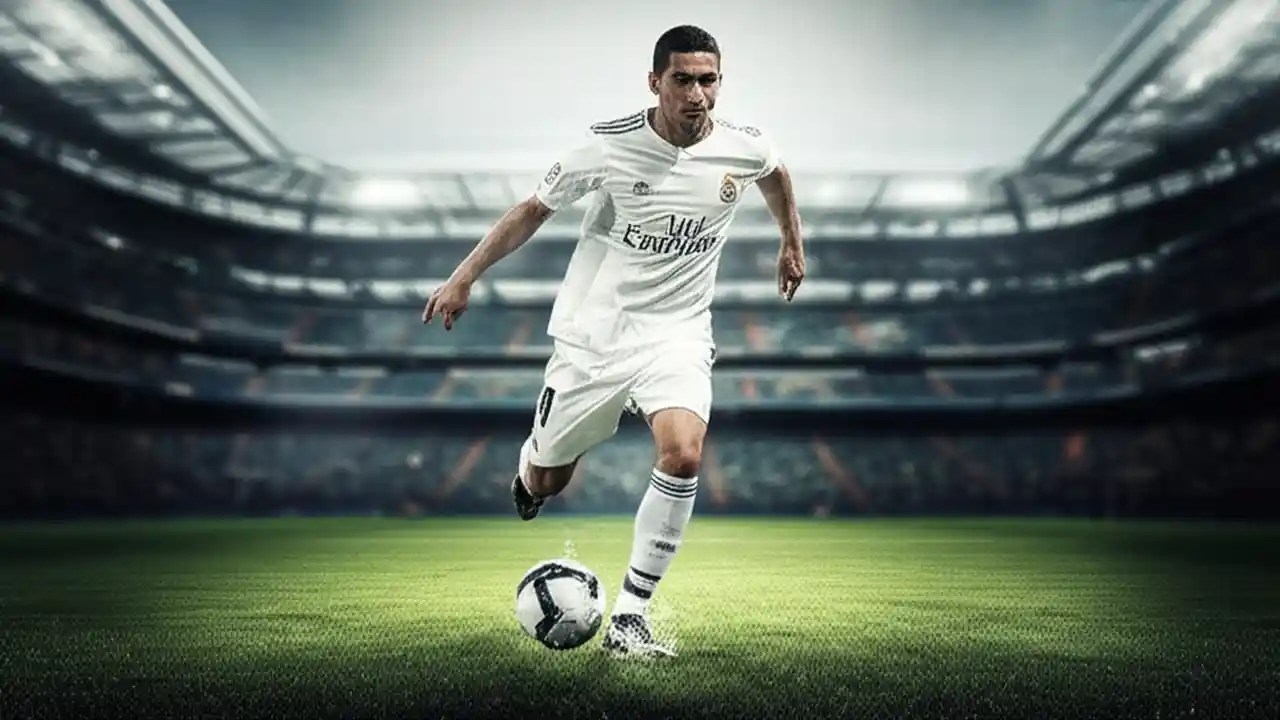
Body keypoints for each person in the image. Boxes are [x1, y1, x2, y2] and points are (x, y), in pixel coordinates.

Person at [423, 24, 805, 657]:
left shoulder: (743, 146)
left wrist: (791, 241)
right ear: (655, 82)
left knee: (683, 454)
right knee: (549, 481)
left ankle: (630, 617)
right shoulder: (607, 147)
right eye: (682, 80)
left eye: (708, 80)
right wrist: (463, 276)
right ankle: (530, 469)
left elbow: (775, 171)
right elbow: (530, 210)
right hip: (594, 339)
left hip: (678, 333)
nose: (697, 94)